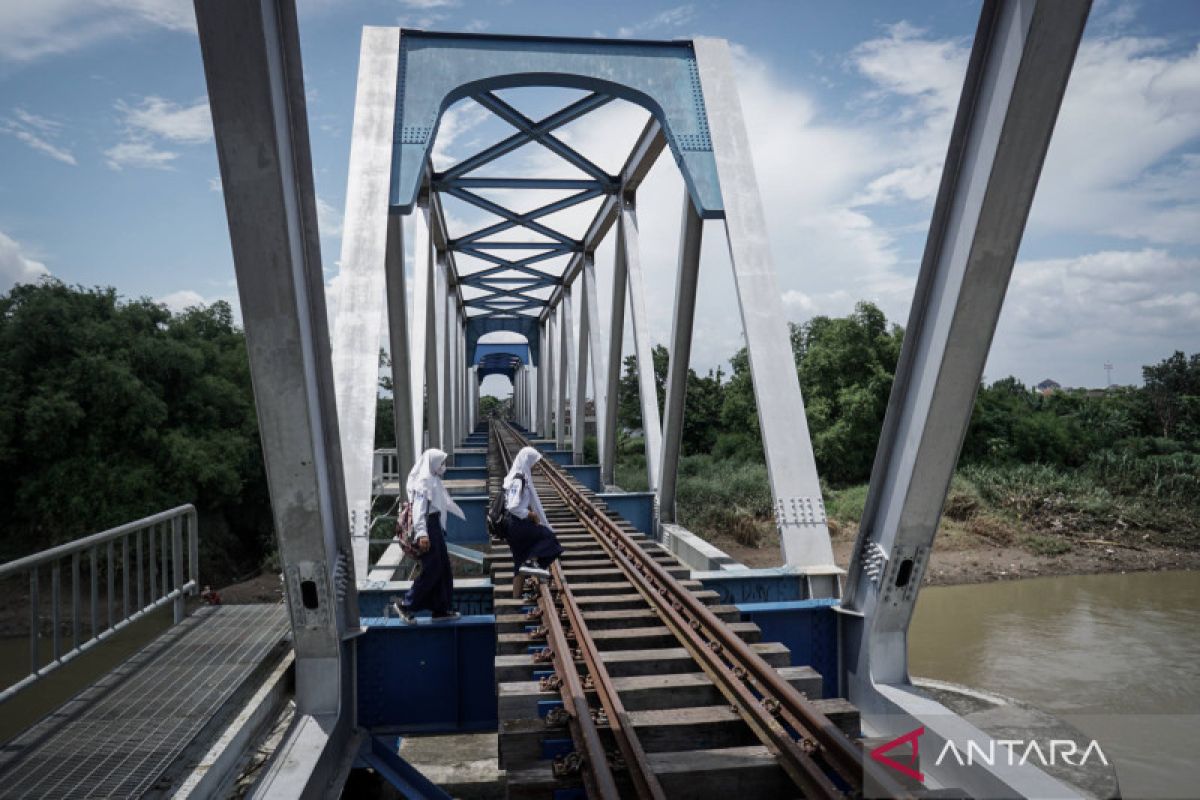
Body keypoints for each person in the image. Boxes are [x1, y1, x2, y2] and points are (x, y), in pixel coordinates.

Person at [399, 448, 465, 622]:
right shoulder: (424, 481)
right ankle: (406, 604)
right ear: (433, 463)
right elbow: (419, 509)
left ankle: (441, 609)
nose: (443, 465)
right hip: (428, 527)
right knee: (432, 569)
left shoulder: (433, 479)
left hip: (434, 526)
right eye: (441, 462)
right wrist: (422, 534)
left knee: (443, 568)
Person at [502, 446, 564, 598]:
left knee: (518, 562)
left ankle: (516, 597)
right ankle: (531, 562)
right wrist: (531, 514)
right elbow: (512, 506)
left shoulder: (515, 476)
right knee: (549, 537)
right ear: (526, 460)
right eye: (534, 462)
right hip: (516, 524)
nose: (535, 466)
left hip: (512, 526)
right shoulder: (519, 478)